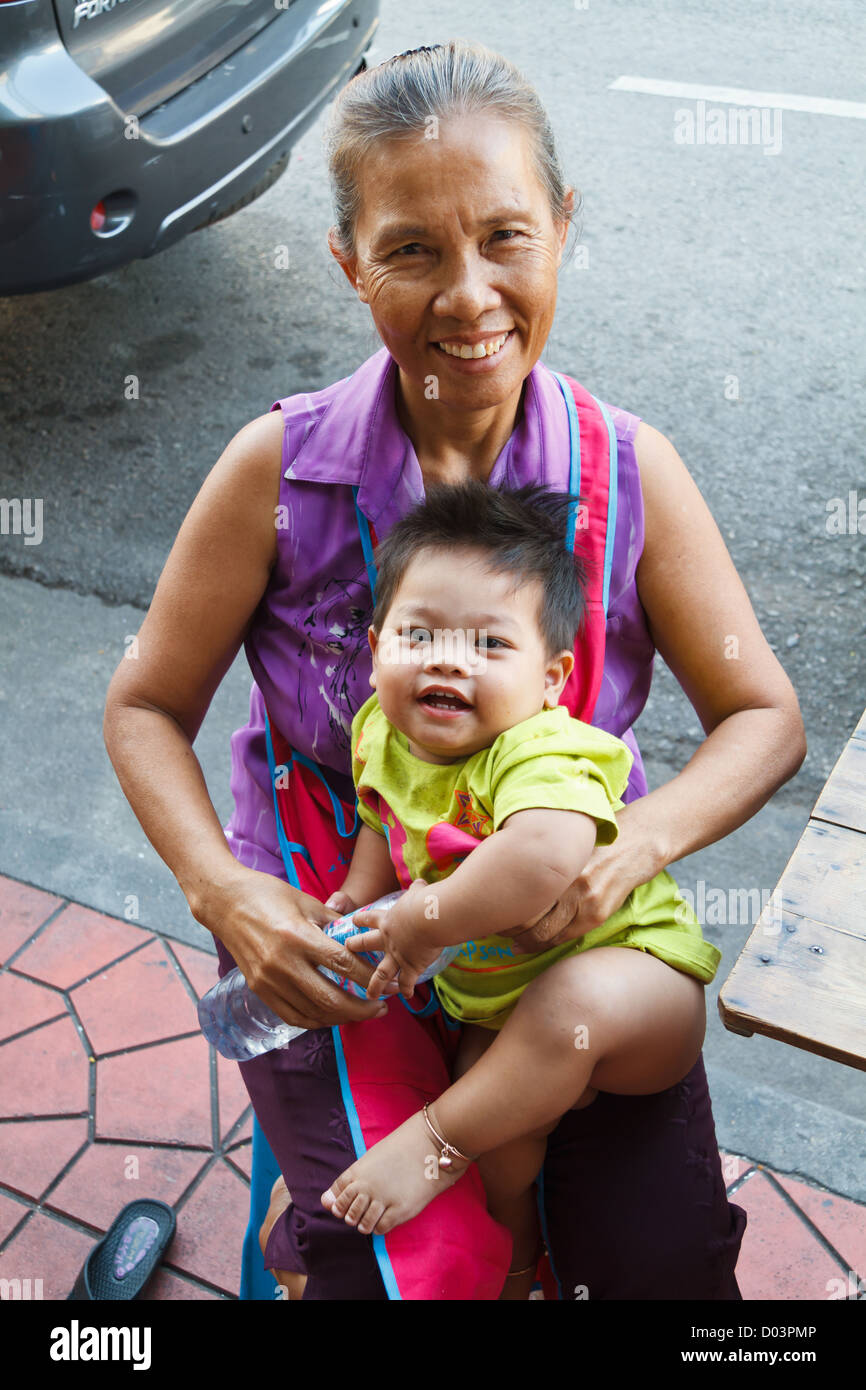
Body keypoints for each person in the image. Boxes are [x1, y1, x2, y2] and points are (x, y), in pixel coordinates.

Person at [103, 39, 806, 1299]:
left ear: (562, 226)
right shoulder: (278, 471)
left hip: (558, 949)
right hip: (342, 941)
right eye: (412, 249)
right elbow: (145, 702)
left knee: (667, 1271)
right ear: (346, 259)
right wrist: (224, 895)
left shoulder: (630, 472)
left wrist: (623, 854)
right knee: (393, 1266)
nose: (468, 295)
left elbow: (762, 714)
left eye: (505, 237)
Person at [317, 479, 721, 1298]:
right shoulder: (379, 733)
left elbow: (543, 857)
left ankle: (431, 1145)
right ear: (375, 646)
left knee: (563, 1009)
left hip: (637, 989)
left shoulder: (540, 751)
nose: (447, 658)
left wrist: (425, 916)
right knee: (501, 1137)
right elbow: (378, 820)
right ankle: (513, 1269)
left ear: (551, 679)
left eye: (490, 645)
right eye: (418, 633)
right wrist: (359, 901)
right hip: (502, 1013)